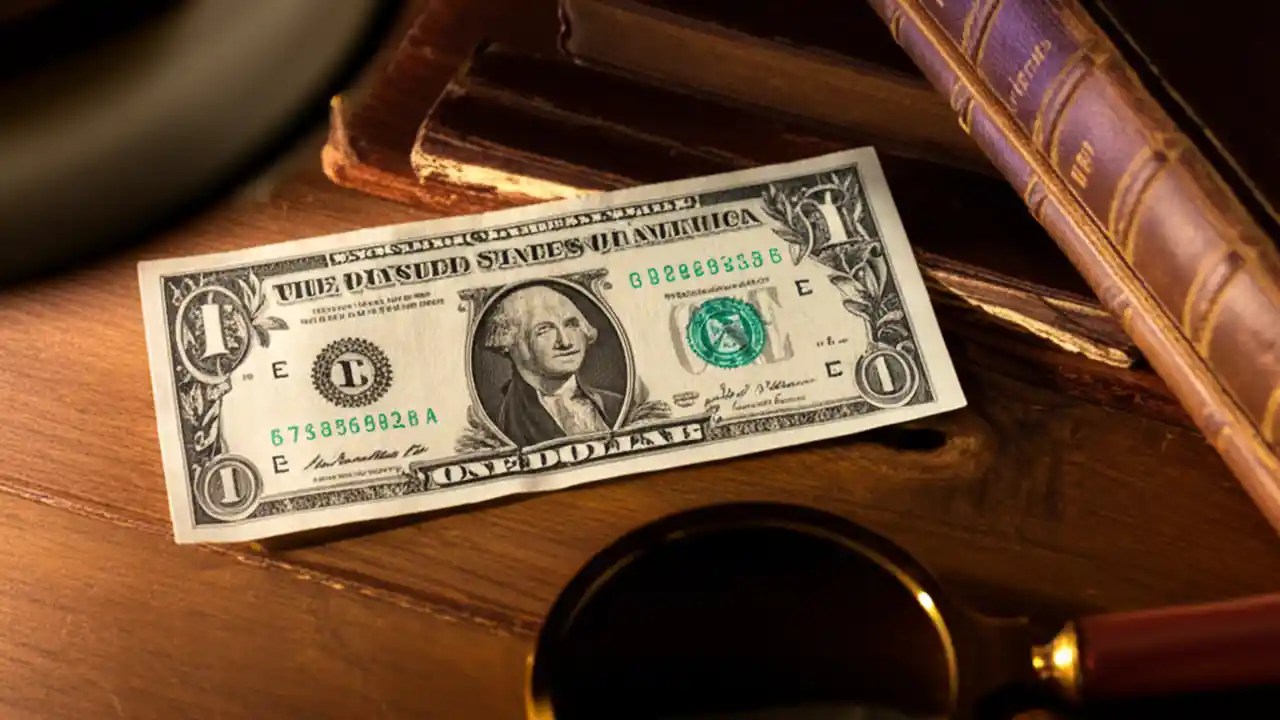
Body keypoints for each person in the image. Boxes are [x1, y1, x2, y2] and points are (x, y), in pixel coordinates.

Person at [482, 285, 623, 446]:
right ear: (511, 342)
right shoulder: (497, 424)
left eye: (571, 324)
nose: (565, 342)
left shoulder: (616, 405)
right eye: (544, 330)